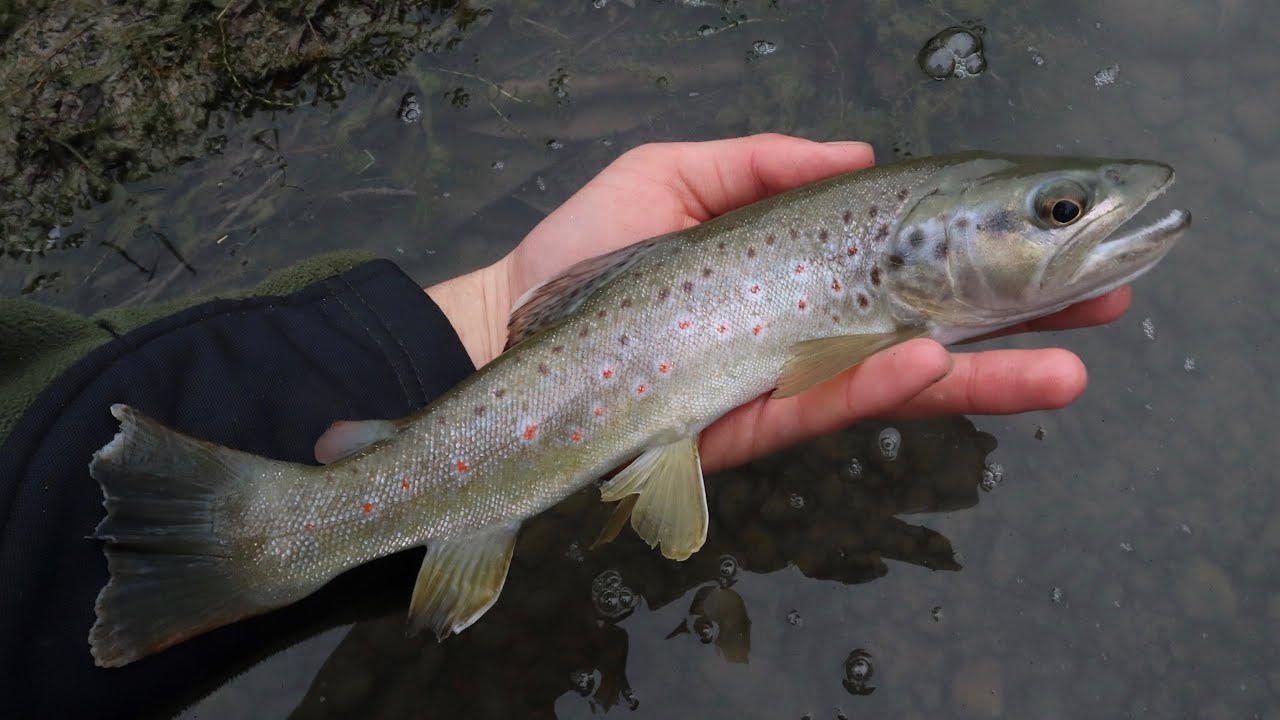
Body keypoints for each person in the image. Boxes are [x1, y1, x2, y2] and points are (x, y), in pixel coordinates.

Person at [0, 134, 1126, 717]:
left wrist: (463, 329)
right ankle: (275, 536)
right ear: (913, 247)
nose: (1084, 219)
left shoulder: (892, 291)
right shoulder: (880, 282)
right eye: (1061, 213)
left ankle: (281, 532)